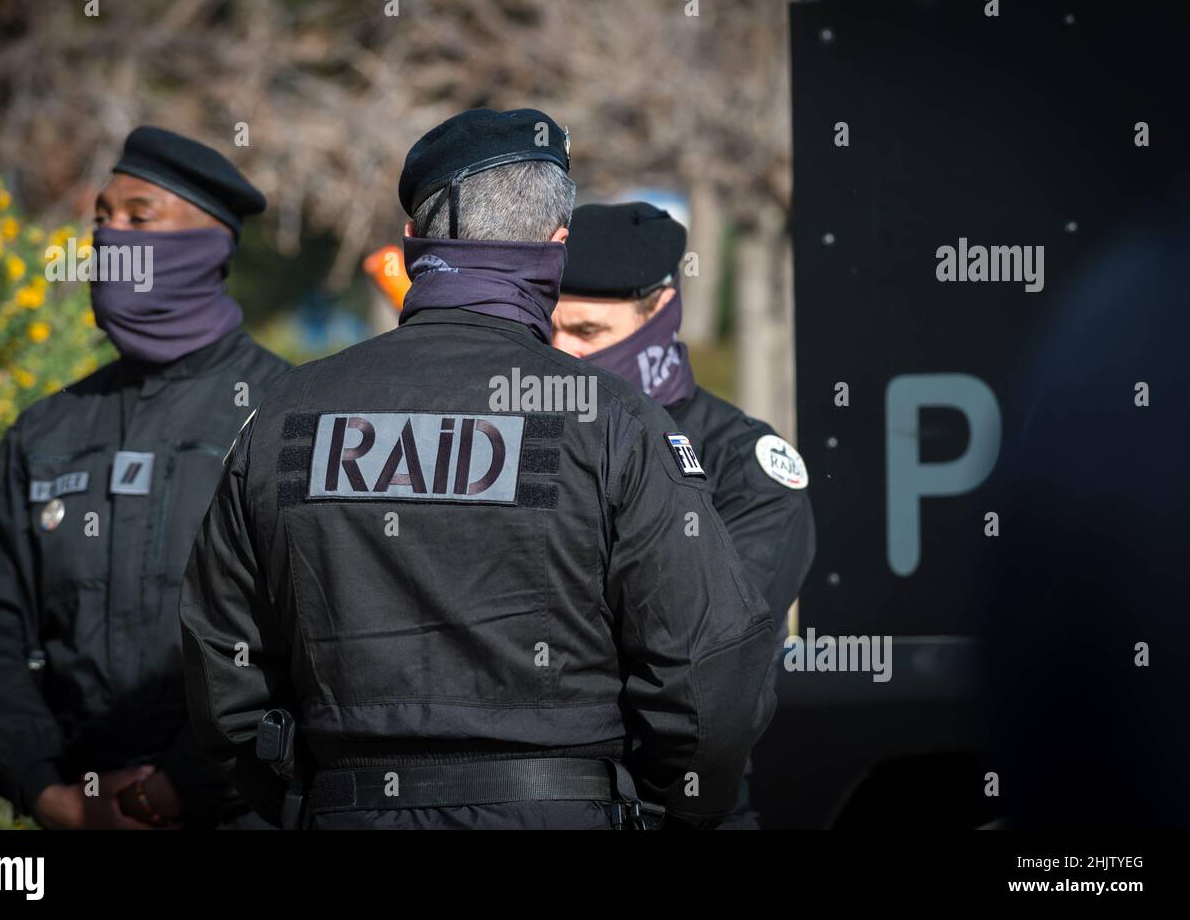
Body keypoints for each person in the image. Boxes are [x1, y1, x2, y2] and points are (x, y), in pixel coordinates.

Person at [180, 108, 777, 830]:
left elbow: (224, 667)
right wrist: (654, 809)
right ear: (557, 248)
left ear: (412, 246)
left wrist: (309, 797)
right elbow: (706, 673)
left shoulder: (284, 416)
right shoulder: (614, 422)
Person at [0, 126, 290, 829]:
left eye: (140, 218)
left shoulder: (288, 413)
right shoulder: (45, 432)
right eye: (101, 219)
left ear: (212, 242)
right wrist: (50, 794)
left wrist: (176, 788)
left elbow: (310, 636)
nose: (110, 239)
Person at [552, 201, 816, 826]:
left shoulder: (745, 463)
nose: (560, 355)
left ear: (658, 312)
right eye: (548, 330)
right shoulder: (519, 433)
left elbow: (712, 655)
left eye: (587, 333)